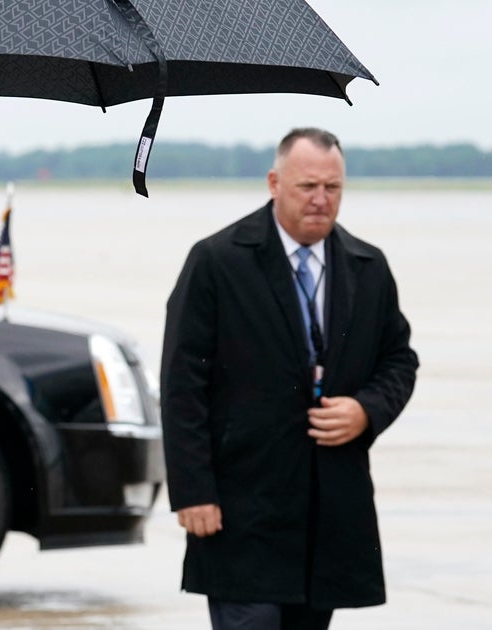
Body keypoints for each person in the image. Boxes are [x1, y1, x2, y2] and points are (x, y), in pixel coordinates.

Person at [160, 127, 418, 630]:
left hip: (329, 509)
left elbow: (399, 360)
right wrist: (192, 491)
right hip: (240, 506)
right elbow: (181, 384)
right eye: (307, 187)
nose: (321, 200)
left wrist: (367, 409)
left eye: (333, 188)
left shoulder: (368, 266)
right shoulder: (217, 261)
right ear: (275, 182)